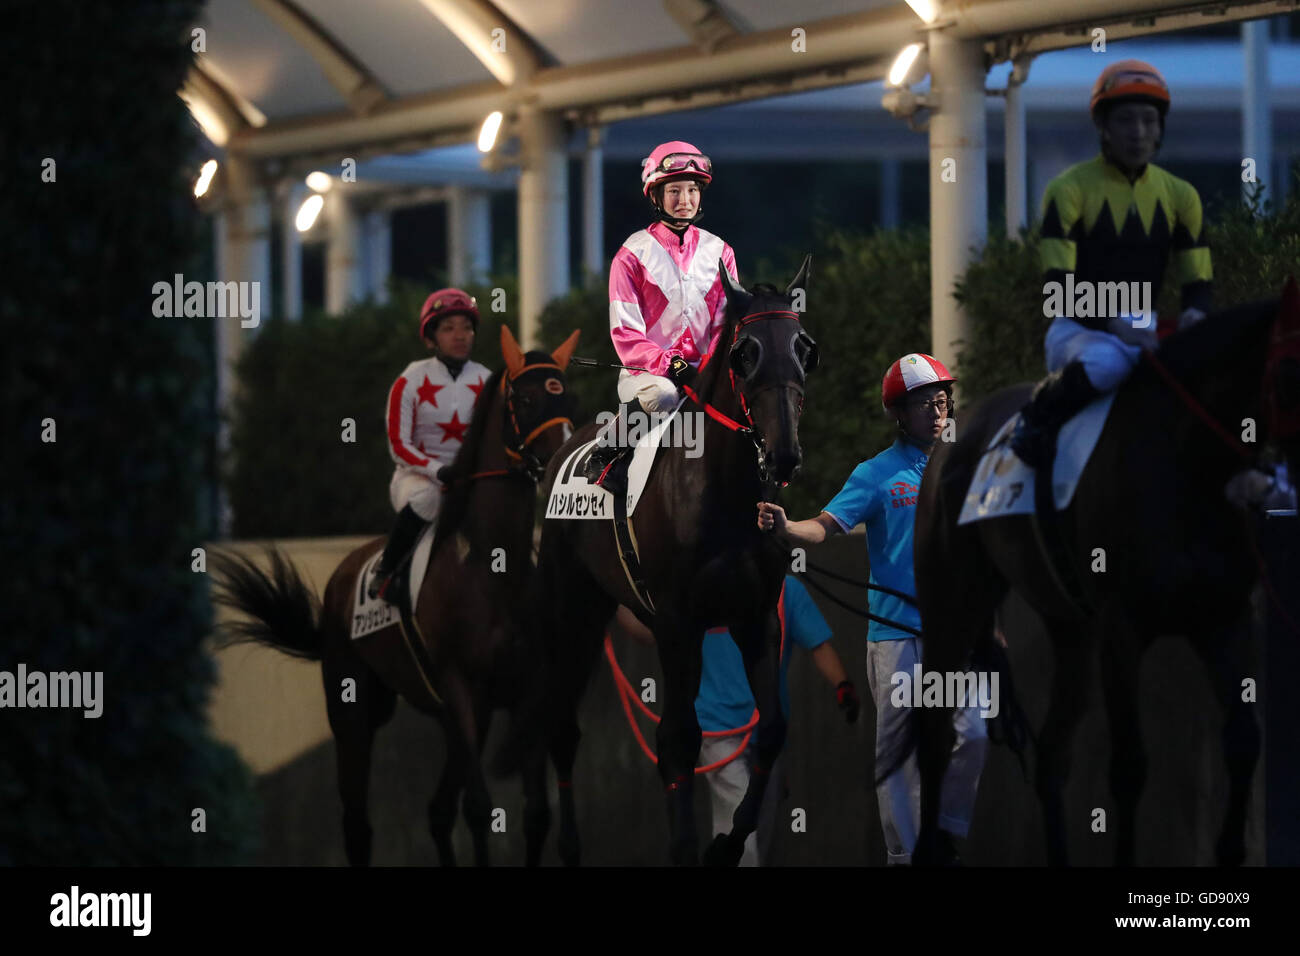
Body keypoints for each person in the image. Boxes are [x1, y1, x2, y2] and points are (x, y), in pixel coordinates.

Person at [756, 353, 988, 865]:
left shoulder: (964, 465)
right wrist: (786, 526)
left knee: (973, 732)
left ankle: (943, 836)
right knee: (897, 755)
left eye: (941, 398)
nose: (937, 407)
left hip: (954, 634)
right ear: (899, 413)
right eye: (924, 401)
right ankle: (905, 856)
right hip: (896, 635)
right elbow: (825, 527)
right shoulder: (875, 474)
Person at [1010, 59, 1213, 468]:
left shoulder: (1182, 195)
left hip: (1143, 331)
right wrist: (1115, 325)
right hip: (1080, 331)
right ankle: (1036, 416)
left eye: (1148, 121)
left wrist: (1195, 314)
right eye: (1124, 120)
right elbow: (1058, 291)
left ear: (1160, 128)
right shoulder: (1067, 189)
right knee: (1110, 361)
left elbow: (1199, 280)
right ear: (1103, 126)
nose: (1138, 132)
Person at [584, 140, 739, 491]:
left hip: (705, 375)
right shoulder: (631, 255)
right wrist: (669, 363)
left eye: (692, 190)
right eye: (674, 190)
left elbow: (724, 323)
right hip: (649, 377)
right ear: (655, 195)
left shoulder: (722, 252)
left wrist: (709, 367)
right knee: (664, 394)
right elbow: (625, 332)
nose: (685, 200)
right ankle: (607, 452)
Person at [694, 575, 857, 866]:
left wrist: (842, 685)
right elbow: (654, 629)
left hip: (768, 735)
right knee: (739, 828)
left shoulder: (786, 589)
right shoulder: (701, 583)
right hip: (718, 728)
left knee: (762, 831)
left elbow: (818, 644)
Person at [369, 288, 490, 603]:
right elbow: (398, 445)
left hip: (470, 480)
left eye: (466, 327)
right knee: (428, 498)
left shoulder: (487, 379)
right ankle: (387, 572)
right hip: (417, 477)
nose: (460, 335)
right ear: (430, 338)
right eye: (448, 328)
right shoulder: (409, 379)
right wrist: (440, 472)